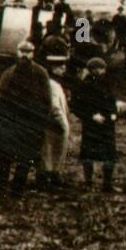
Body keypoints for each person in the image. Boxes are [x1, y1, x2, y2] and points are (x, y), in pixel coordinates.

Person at [0, 40, 53, 195]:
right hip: (11, 121)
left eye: (28, 52)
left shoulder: (41, 73)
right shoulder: (8, 73)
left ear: (33, 54)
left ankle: (17, 188)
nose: (25, 55)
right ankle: (0, 186)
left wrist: (40, 120)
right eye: (22, 51)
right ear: (17, 52)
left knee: (26, 156)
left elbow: (47, 100)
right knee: (5, 154)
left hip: (31, 122)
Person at [72, 57, 119, 192]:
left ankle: (107, 184)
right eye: (97, 69)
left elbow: (112, 101)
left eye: (102, 69)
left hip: (107, 124)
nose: (100, 72)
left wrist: (114, 114)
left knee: (109, 154)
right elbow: (76, 106)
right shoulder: (84, 85)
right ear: (91, 70)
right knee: (89, 154)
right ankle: (88, 183)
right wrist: (91, 116)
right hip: (91, 125)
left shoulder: (108, 83)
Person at [41, 47, 72, 190]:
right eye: (61, 66)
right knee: (52, 149)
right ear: (53, 68)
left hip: (54, 122)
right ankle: (50, 177)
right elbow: (54, 106)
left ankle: (52, 175)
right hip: (54, 123)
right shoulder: (52, 84)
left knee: (52, 150)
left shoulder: (55, 83)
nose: (64, 68)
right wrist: (63, 123)